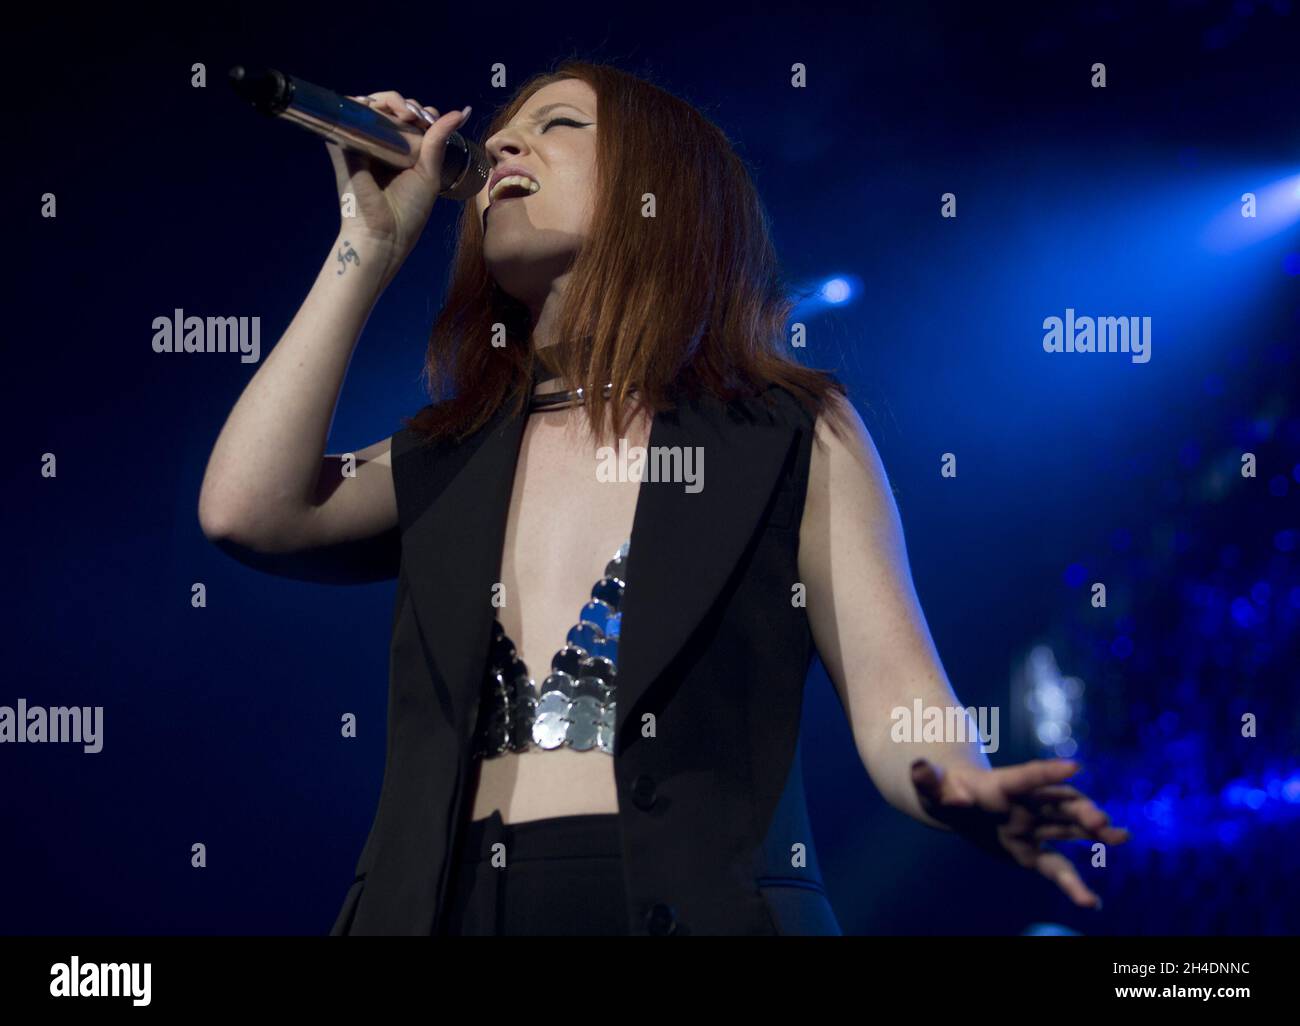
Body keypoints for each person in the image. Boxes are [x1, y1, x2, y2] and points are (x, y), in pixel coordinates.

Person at [198, 60, 1129, 936]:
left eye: (555, 125)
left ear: (664, 194)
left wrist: (955, 783)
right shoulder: (446, 449)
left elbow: (898, 691)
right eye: (502, 137)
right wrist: (369, 242)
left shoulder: (788, 432)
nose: (504, 149)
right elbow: (246, 509)